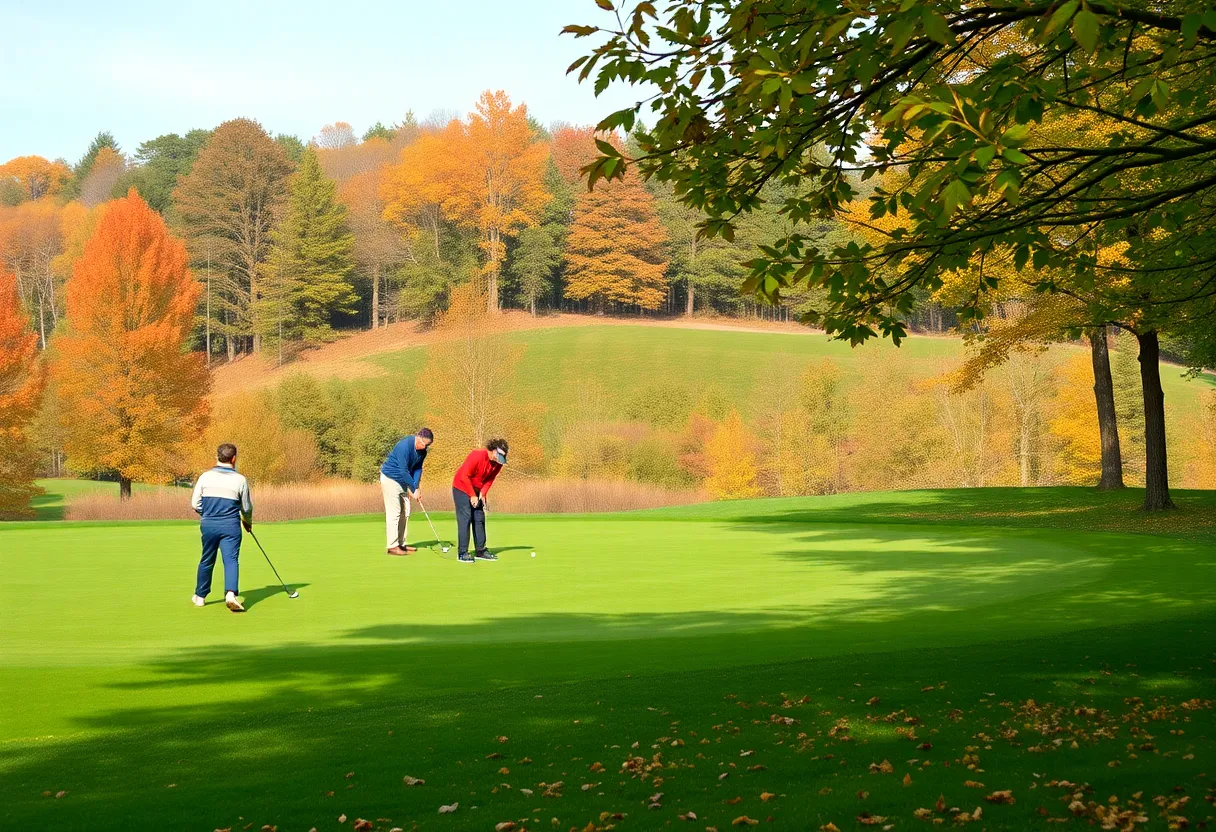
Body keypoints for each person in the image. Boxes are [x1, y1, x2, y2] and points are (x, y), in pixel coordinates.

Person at [190, 443, 253, 612]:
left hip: (209, 523)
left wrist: (209, 512)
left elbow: (195, 503)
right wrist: (247, 522)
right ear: (233, 459)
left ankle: (200, 597)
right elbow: (246, 508)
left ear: (217, 457)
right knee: (231, 560)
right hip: (231, 525)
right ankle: (231, 594)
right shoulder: (240, 479)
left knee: (207, 558)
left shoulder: (205, 477)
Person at [451, 438, 508, 564]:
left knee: (479, 517)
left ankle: (480, 551)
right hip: (461, 487)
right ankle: (462, 552)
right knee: (466, 517)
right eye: (498, 457)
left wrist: (483, 493)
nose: (499, 461)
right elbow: (464, 476)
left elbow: (490, 479)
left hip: (477, 489)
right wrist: (472, 495)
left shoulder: (498, 464)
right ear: (493, 451)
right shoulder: (477, 455)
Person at [379, 428, 434, 555]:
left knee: (406, 511)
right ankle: (392, 546)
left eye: (426, 446)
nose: (423, 447)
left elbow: (417, 469)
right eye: (422, 444)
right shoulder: (404, 446)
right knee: (395, 512)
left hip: (403, 481)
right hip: (390, 479)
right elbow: (404, 471)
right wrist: (413, 488)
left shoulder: (423, 451)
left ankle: (401, 544)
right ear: (418, 437)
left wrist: (417, 487)